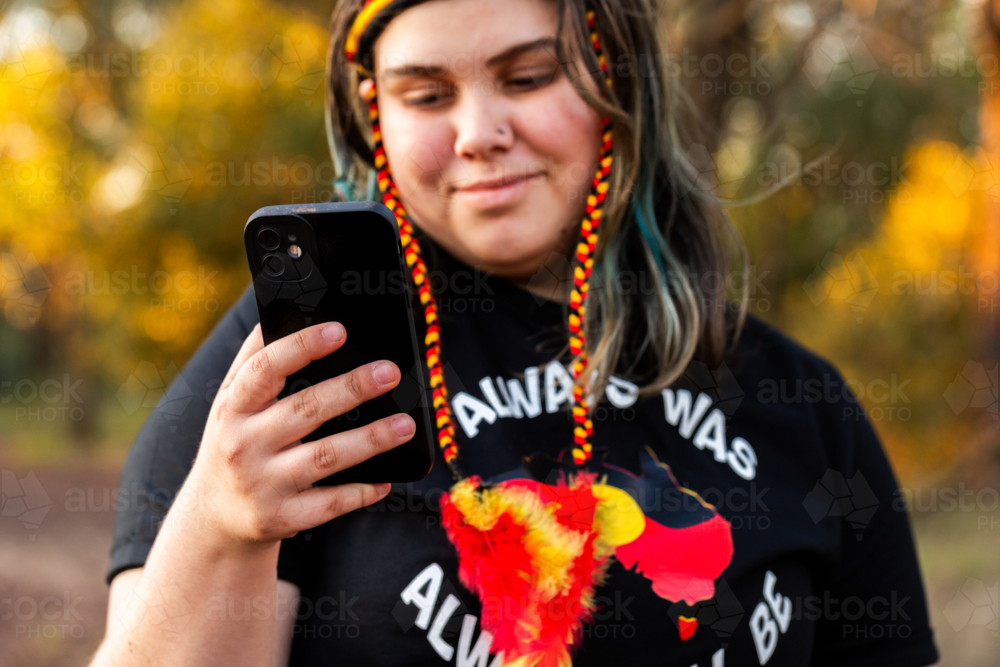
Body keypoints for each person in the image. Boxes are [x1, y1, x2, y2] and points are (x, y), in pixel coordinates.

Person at [90, 1, 940, 666]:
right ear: (373, 116)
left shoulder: (801, 402)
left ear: (621, 84)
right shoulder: (298, 368)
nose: (478, 134)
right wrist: (221, 524)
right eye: (427, 95)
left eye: (528, 77)